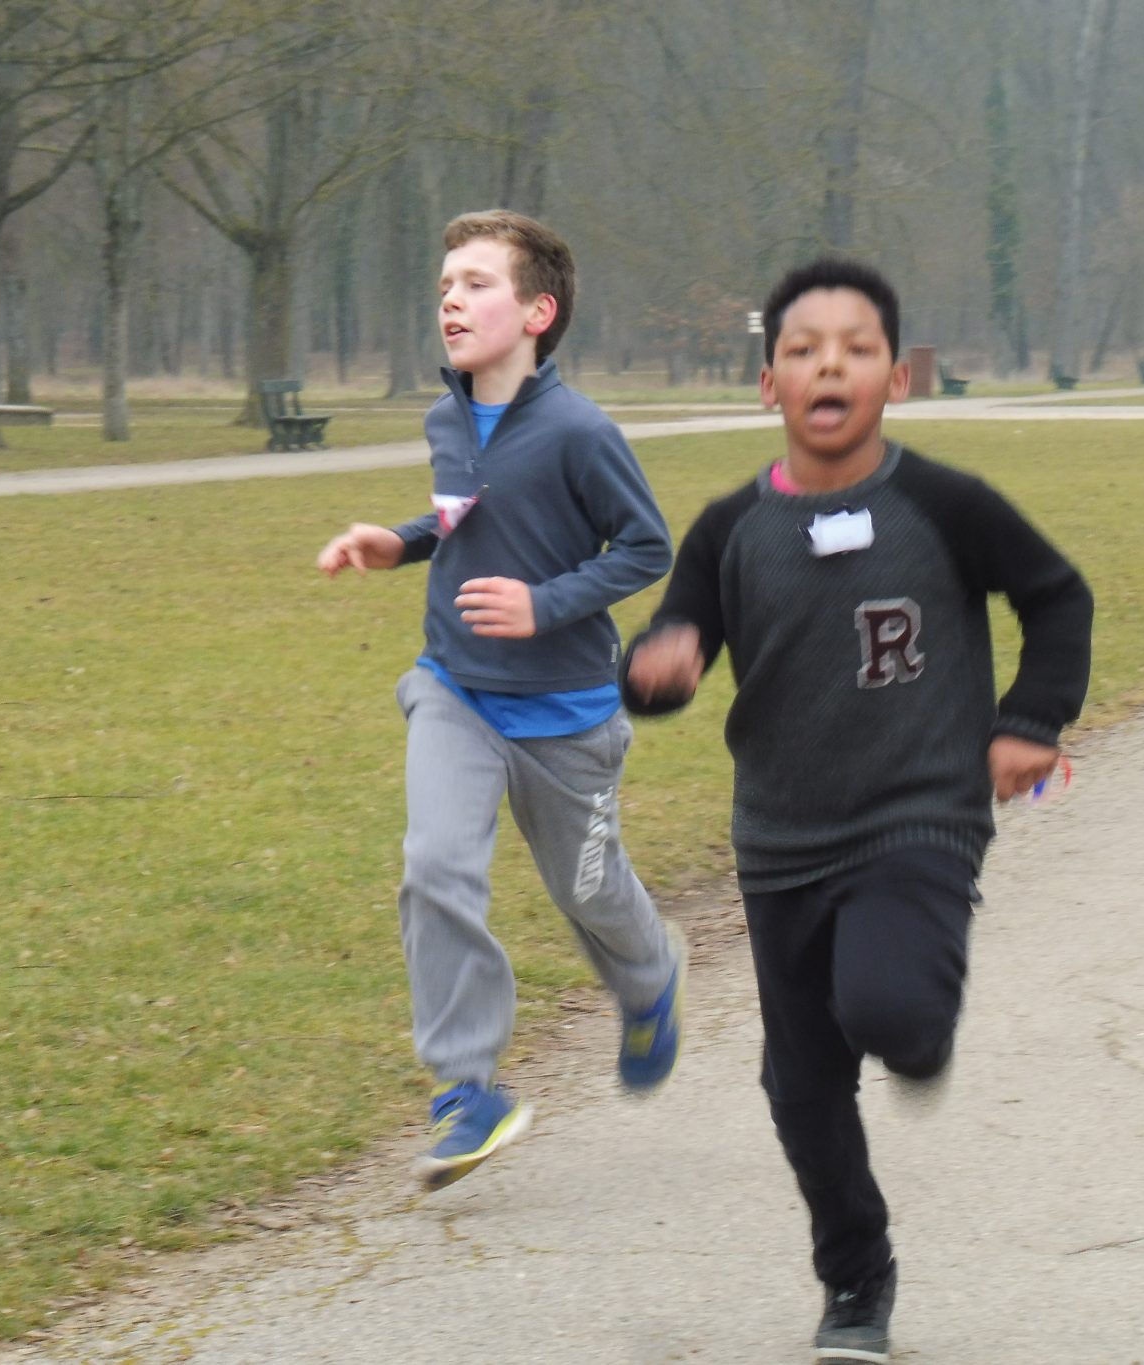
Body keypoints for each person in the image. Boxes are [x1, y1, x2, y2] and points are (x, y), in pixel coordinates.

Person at [619, 257, 1093, 1364]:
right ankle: (855, 1280)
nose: (827, 362)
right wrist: (658, 667)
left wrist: (1030, 718)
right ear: (766, 386)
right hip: (780, 837)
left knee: (887, 1008)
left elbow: (1054, 595)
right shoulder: (729, 527)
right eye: (800, 348)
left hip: (917, 812)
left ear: (896, 377)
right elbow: (666, 641)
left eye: (855, 346)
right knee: (799, 1085)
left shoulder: (943, 504)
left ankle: (914, 1029)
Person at [316, 209, 685, 1191]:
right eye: (444, 284)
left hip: (566, 717)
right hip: (455, 693)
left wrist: (544, 605)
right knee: (434, 865)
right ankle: (465, 1088)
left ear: (535, 312)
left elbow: (646, 548)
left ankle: (649, 981)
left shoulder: (578, 432)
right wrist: (400, 542)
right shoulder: (446, 418)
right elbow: (464, 518)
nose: (450, 298)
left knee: (589, 891)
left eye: (475, 282)